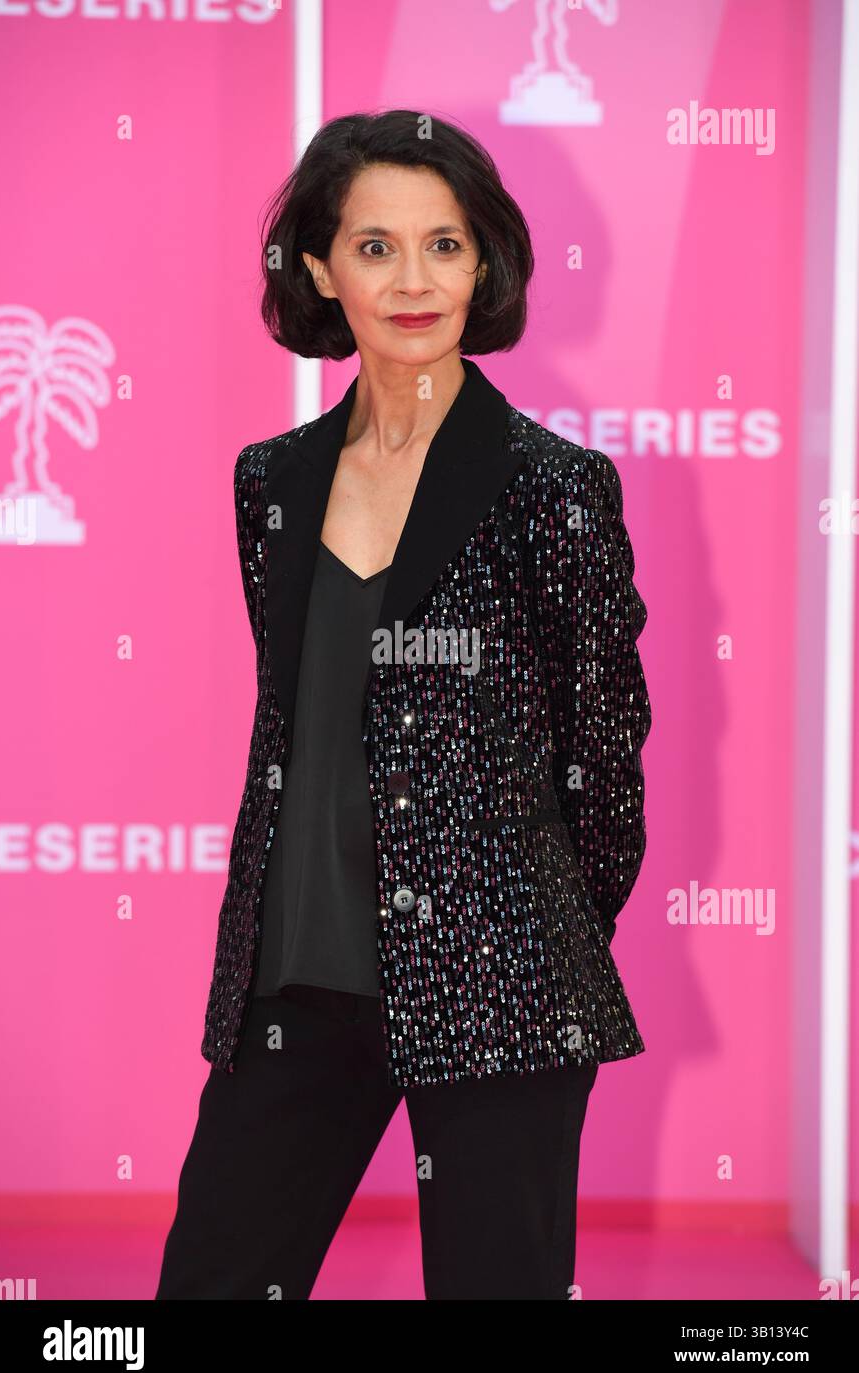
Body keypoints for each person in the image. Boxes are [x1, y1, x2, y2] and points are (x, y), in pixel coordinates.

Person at [155, 109, 651, 1301]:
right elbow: (301, 722)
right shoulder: (268, 482)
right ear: (321, 267)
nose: (413, 279)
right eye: (374, 246)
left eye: (443, 244)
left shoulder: (555, 490)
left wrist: (527, 936)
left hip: (500, 986)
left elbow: (605, 762)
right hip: (296, 979)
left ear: (482, 264)